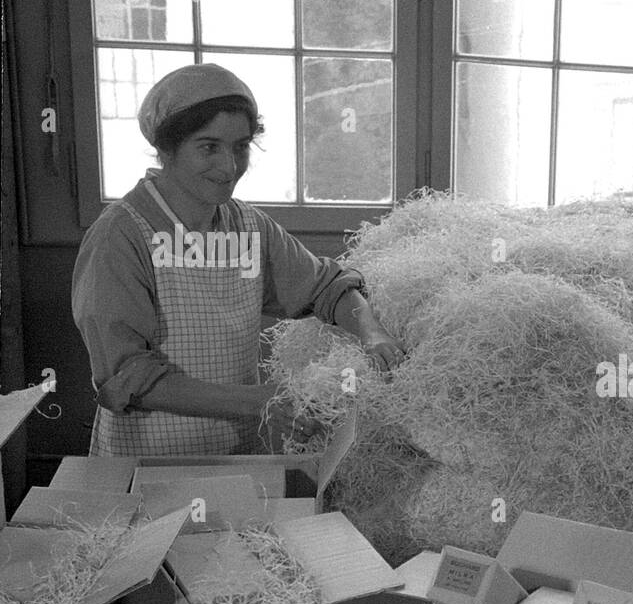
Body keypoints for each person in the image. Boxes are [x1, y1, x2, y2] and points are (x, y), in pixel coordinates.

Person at [72, 63, 403, 457]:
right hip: (149, 460)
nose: (229, 167)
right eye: (209, 147)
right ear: (166, 148)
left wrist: (371, 331)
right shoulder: (120, 236)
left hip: (237, 451)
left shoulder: (248, 226)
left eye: (241, 147)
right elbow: (128, 377)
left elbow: (327, 287)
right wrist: (261, 401)